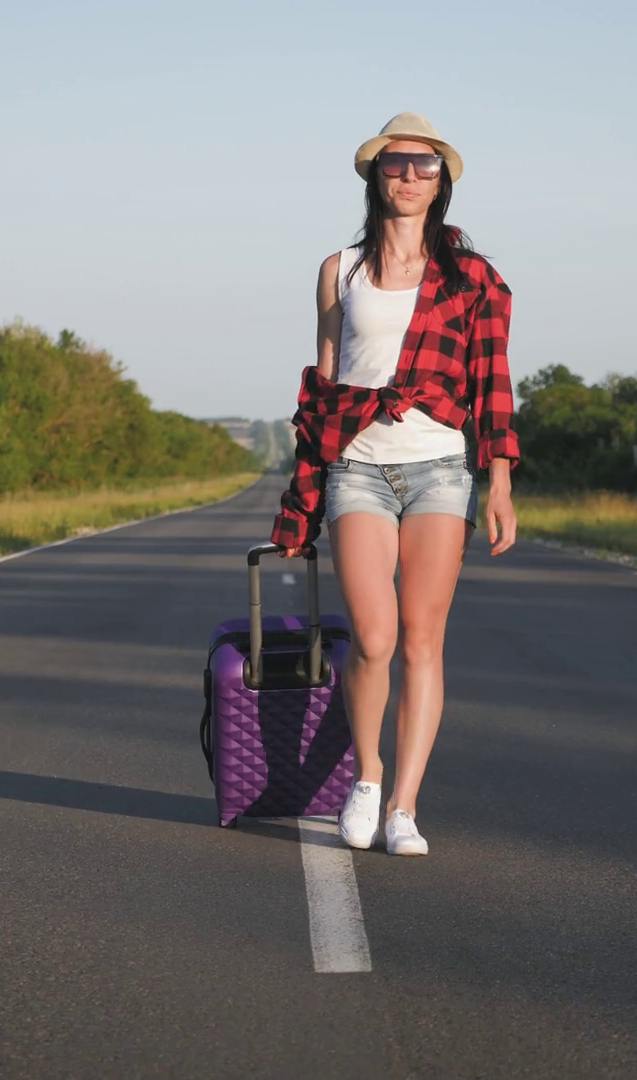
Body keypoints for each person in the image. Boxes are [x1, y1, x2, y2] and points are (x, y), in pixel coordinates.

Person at [270, 112, 520, 856]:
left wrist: (499, 479)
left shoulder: (471, 276)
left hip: (441, 467)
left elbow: (493, 382)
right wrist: (302, 493)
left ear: (441, 180)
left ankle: (405, 807)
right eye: (396, 164)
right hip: (358, 467)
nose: (410, 176)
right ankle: (368, 779)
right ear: (374, 175)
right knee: (373, 638)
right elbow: (322, 387)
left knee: (422, 639)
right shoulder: (339, 270)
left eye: (424, 166)